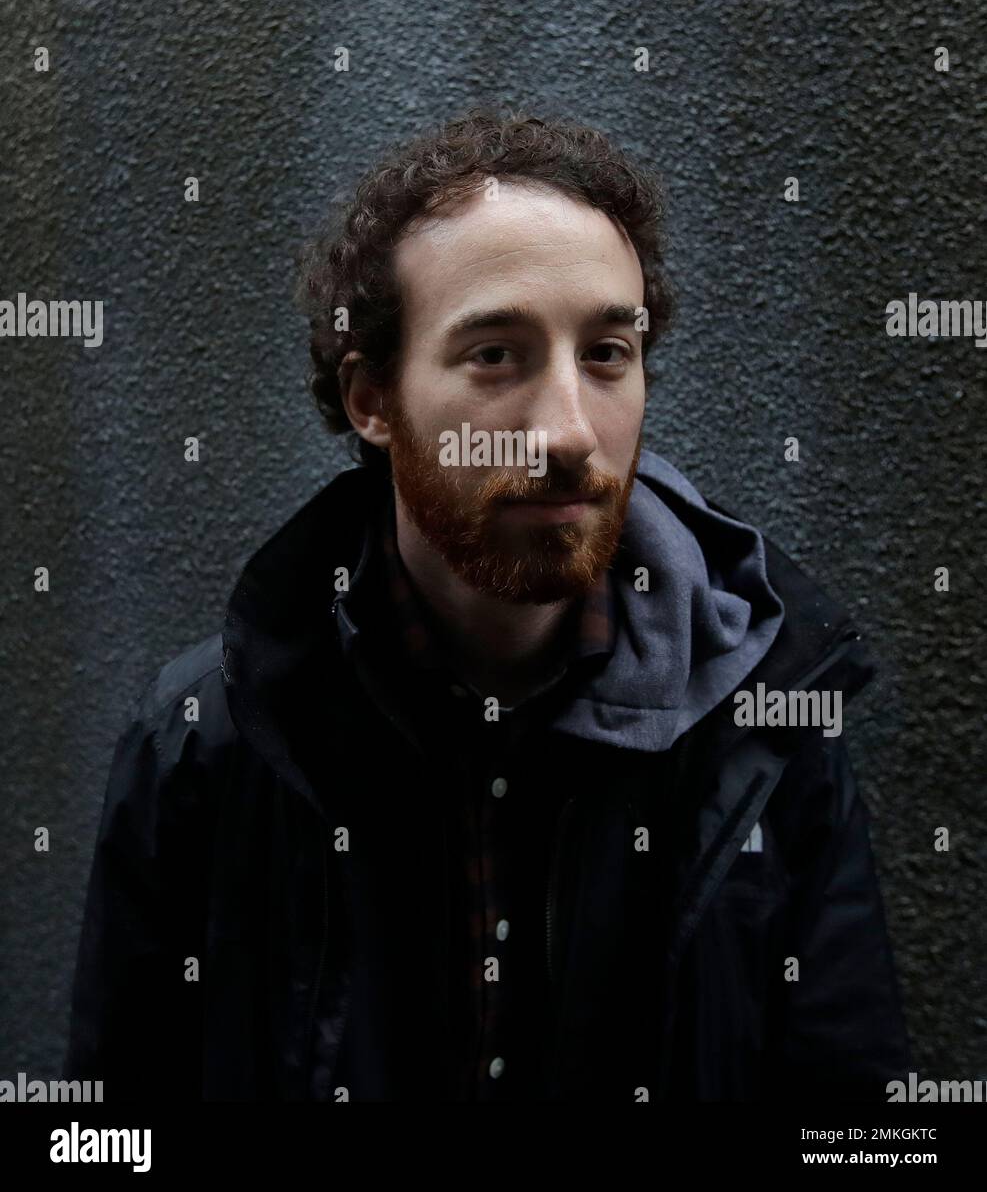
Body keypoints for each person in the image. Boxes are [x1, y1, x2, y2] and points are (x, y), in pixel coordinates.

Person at [63, 107, 912, 1101]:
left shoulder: (762, 720)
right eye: (497, 356)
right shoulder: (209, 739)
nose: (565, 430)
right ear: (373, 397)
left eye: (606, 354)